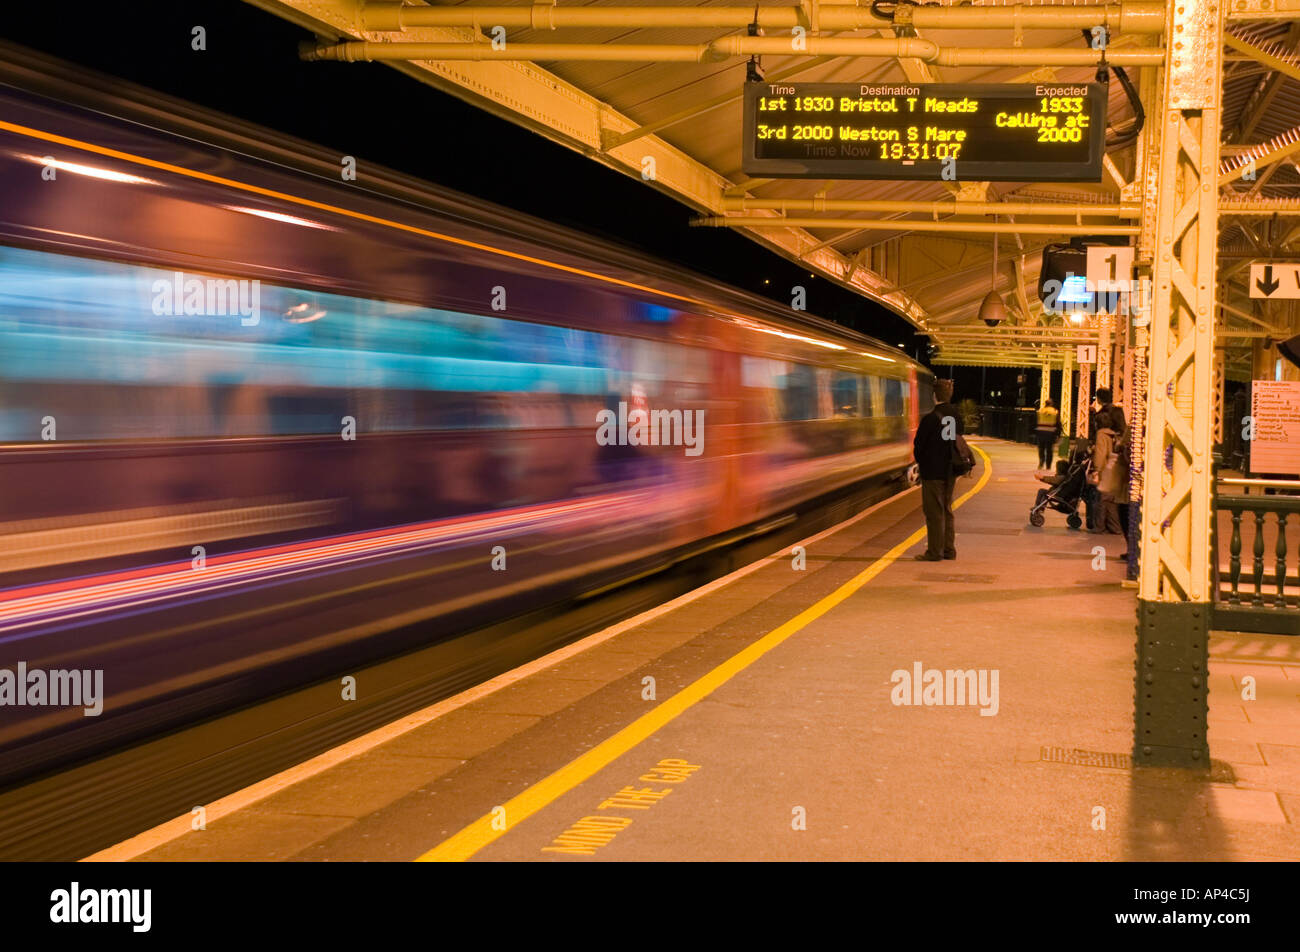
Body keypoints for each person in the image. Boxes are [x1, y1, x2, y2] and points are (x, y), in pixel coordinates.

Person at [913, 379, 963, 561]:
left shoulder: (930, 418)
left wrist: (922, 462)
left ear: (934, 395)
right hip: (951, 470)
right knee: (947, 510)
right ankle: (949, 550)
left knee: (934, 512)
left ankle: (934, 552)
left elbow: (918, 446)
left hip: (933, 472)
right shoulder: (956, 416)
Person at [1089, 407, 1125, 535]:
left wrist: (1096, 470)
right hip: (1115, 469)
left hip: (1105, 470)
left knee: (1102, 500)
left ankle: (1100, 526)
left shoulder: (1101, 435)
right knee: (1110, 501)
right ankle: (1115, 527)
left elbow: (1100, 454)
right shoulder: (1114, 434)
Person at [1034, 398, 1060, 470]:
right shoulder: (1055, 411)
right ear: (1051, 404)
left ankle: (1041, 463)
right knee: (1049, 450)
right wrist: (1058, 434)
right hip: (1050, 432)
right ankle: (1048, 466)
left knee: (1041, 449)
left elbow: (1036, 422)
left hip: (1041, 432)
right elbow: (1058, 423)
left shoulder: (1040, 411)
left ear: (1045, 403)